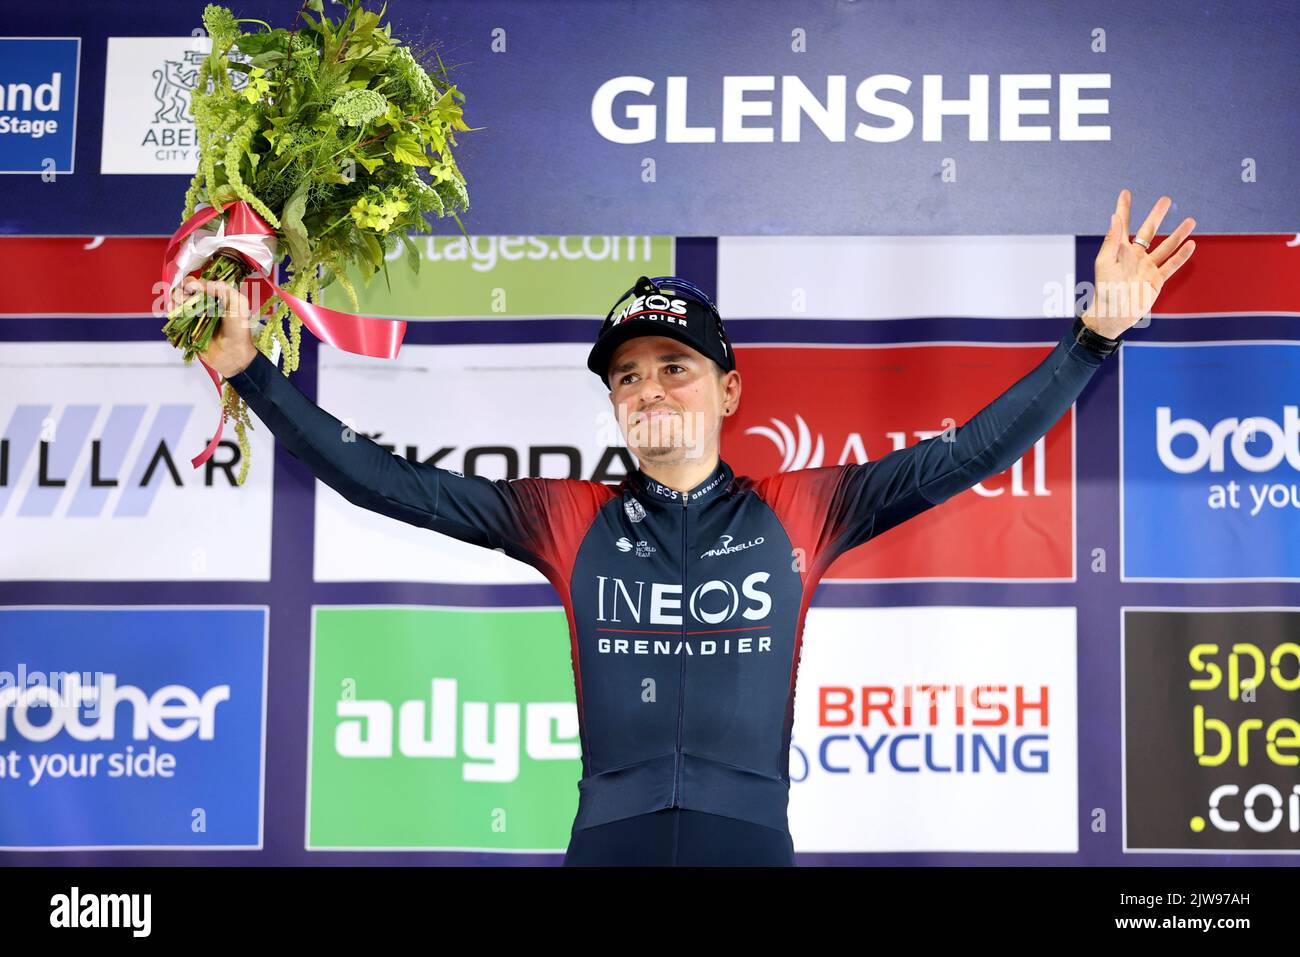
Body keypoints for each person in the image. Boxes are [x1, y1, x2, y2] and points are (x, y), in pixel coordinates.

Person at [177, 189, 1196, 866]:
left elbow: (965, 453)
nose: (646, 388)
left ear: (728, 389)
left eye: (673, 366)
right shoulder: (565, 512)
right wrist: (253, 371)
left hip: (746, 838)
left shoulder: (802, 507)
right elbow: (378, 481)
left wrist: (1091, 338)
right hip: (606, 840)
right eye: (626, 374)